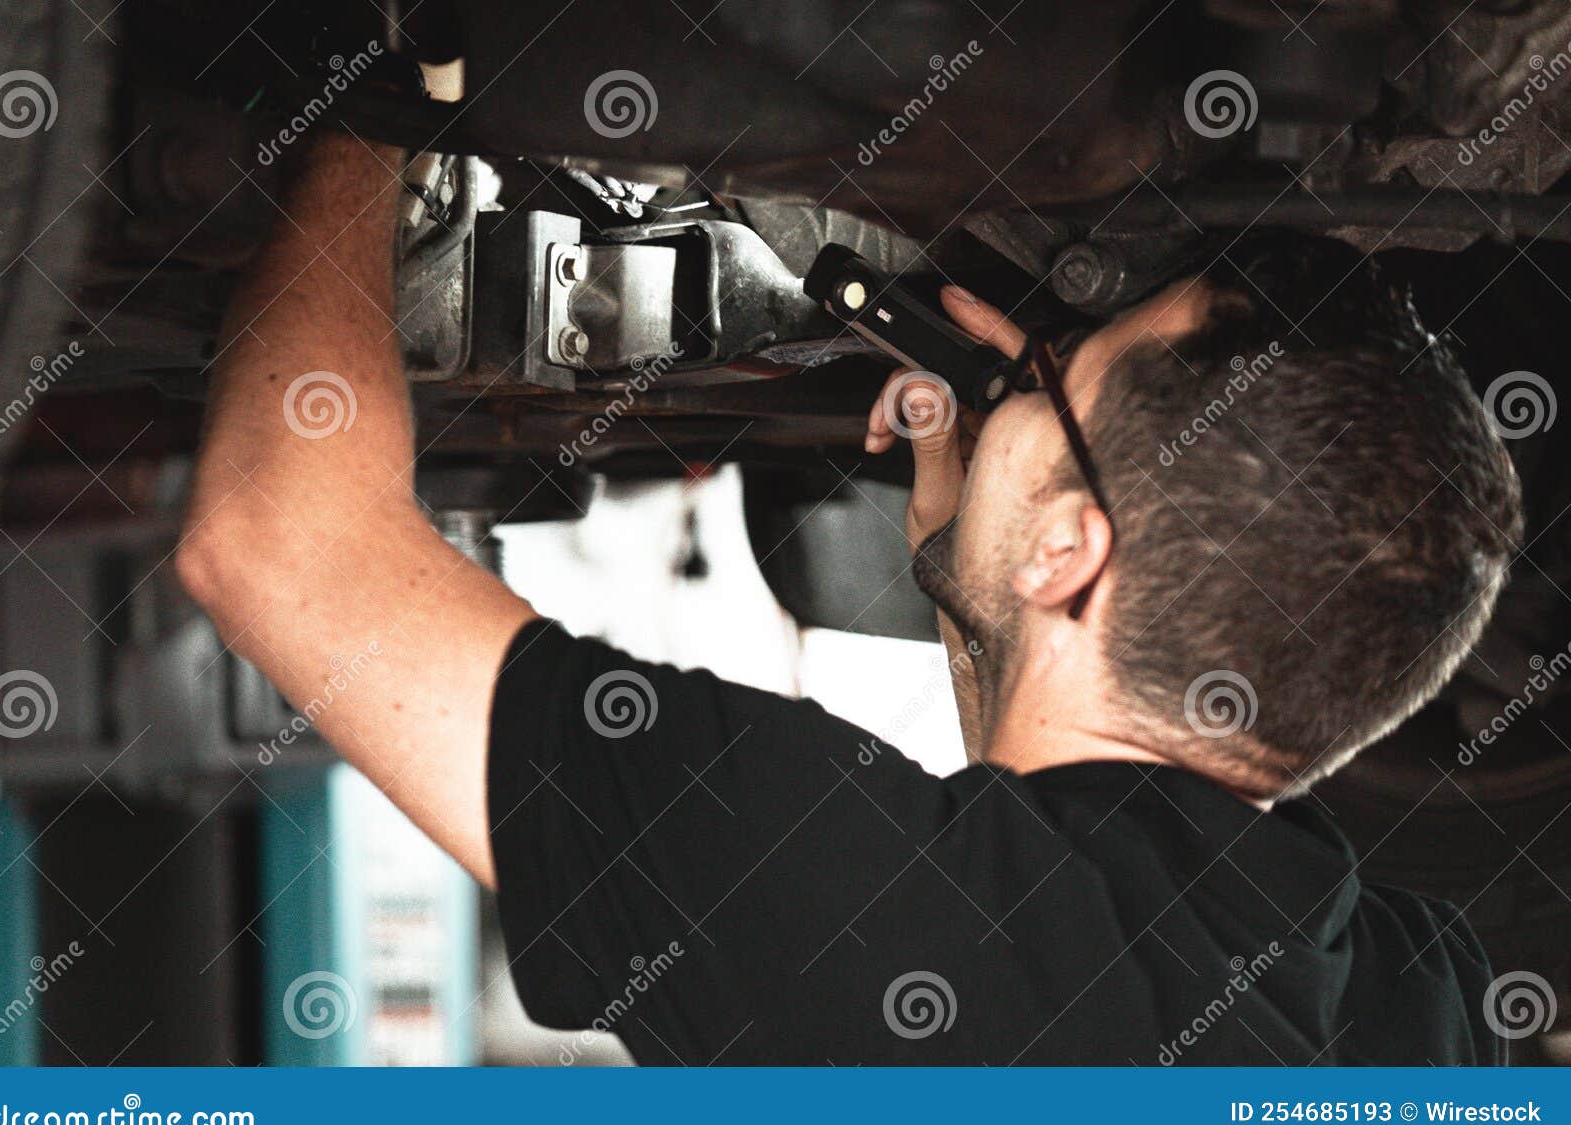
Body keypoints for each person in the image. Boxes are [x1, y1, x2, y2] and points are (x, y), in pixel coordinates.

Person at [177, 133, 1522, 1064]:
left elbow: (277, 540)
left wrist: (374, 101)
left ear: (1071, 553)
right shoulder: (1399, 995)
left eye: (1051, 377)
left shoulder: (820, 885)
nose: (1019, 375)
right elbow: (1036, 853)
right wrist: (983, 496)